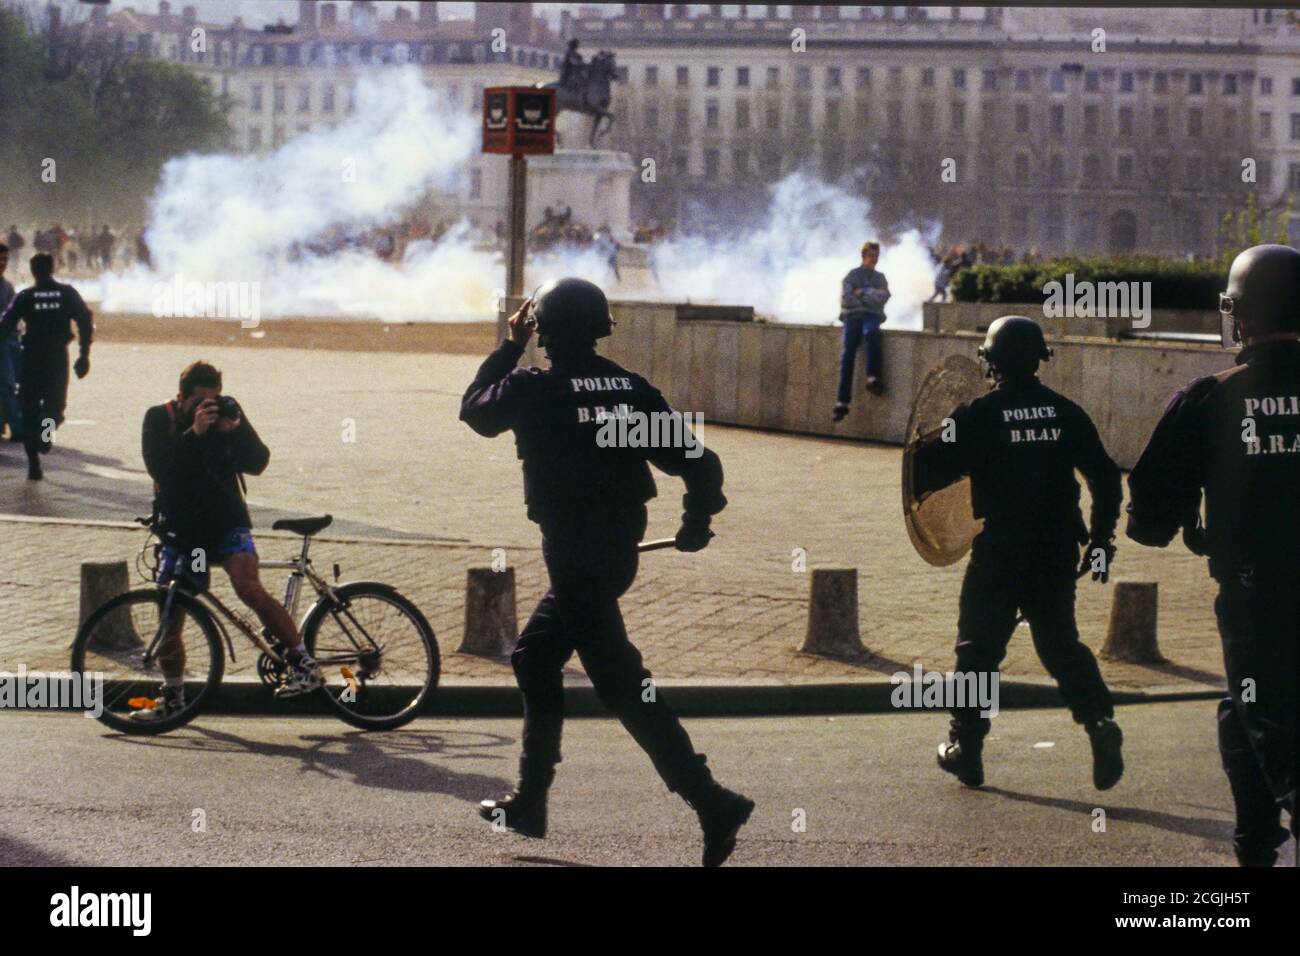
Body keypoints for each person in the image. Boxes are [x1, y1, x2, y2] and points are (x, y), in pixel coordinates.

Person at [460, 277, 754, 866]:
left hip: (574, 555)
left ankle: (711, 799)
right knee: (535, 658)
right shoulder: (630, 389)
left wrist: (510, 345)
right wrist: (697, 522)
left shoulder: (531, 387)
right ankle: (530, 802)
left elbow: (474, 412)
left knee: (623, 686)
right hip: (617, 551)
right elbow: (701, 463)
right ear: (600, 328)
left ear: (542, 330)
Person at [1126, 244, 1298, 867]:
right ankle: (1256, 843)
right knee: (1240, 711)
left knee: (1264, 708)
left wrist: (1170, 526)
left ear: (1241, 314)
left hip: (1258, 593)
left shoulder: (1211, 397)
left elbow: (1149, 501)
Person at [910, 315, 1125, 791]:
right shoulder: (1065, 411)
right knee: (1059, 645)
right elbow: (1107, 479)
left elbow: (925, 472)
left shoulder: (979, 414)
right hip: (1055, 550)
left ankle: (967, 748)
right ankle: (1099, 723)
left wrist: (930, 443)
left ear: (991, 362)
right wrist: (1101, 539)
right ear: (1038, 360)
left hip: (1000, 552)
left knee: (977, 651)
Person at [137, 361, 323, 720]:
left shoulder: (228, 412)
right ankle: (173, 696)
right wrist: (194, 432)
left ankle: (304, 663)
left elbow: (259, 462)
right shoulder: (159, 418)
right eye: (200, 402)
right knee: (169, 614)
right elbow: (161, 470)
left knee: (248, 587)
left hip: (225, 522)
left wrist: (233, 431)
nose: (209, 406)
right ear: (182, 397)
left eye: (214, 399)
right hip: (182, 530)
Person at [0, 253, 93, 480]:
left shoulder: (26, 296)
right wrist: (84, 355)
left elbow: (5, 325)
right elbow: (85, 320)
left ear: (33, 271)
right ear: (53, 268)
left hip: (31, 359)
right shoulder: (66, 293)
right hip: (56, 359)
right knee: (54, 407)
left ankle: (34, 464)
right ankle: (46, 432)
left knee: (29, 411)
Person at [833, 240, 891, 421]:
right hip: (852, 317)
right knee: (847, 354)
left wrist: (862, 293)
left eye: (876, 256)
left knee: (871, 333)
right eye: (871, 256)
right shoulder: (852, 276)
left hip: (871, 317)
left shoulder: (880, 277)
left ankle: (873, 377)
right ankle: (842, 402)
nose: (874, 260)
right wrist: (871, 295)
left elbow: (884, 297)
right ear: (863, 256)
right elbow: (846, 299)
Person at [0, 243, 20, 443]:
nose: (2, 264)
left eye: (5, 259)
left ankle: (15, 427)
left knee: (7, 385)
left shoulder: (7, 287)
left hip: (4, 344)